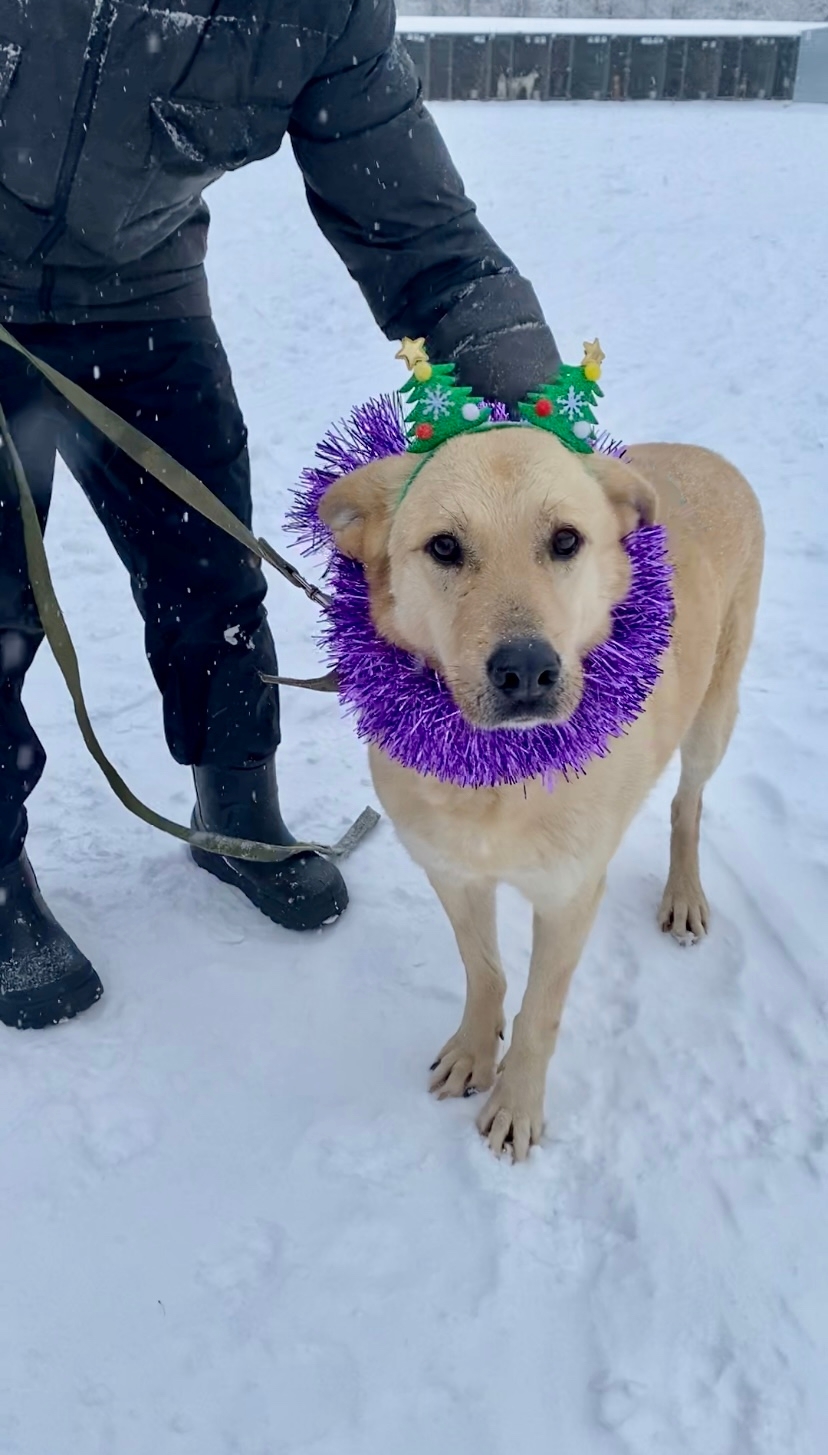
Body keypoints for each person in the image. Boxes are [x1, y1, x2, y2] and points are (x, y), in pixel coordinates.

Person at [0, 1, 560, 1030]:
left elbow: (425, 232)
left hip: (142, 294)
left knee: (209, 574)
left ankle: (236, 808)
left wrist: (533, 407)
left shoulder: (321, 14)